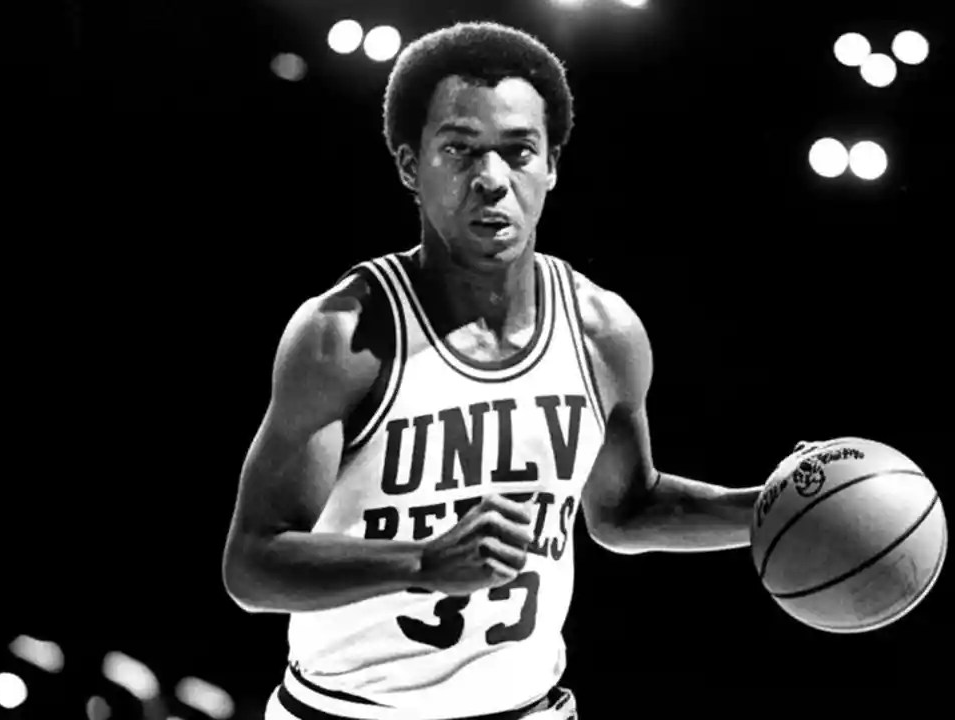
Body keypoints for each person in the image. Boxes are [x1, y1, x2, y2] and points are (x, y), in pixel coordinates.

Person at [222, 21, 772, 720]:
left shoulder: (604, 332)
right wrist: (422, 562)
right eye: (459, 149)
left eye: (518, 151)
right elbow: (252, 567)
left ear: (551, 166)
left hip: (531, 709)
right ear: (408, 165)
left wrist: (766, 510)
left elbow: (625, 509)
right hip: (346, 711)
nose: (491, 180)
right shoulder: (346, 335)